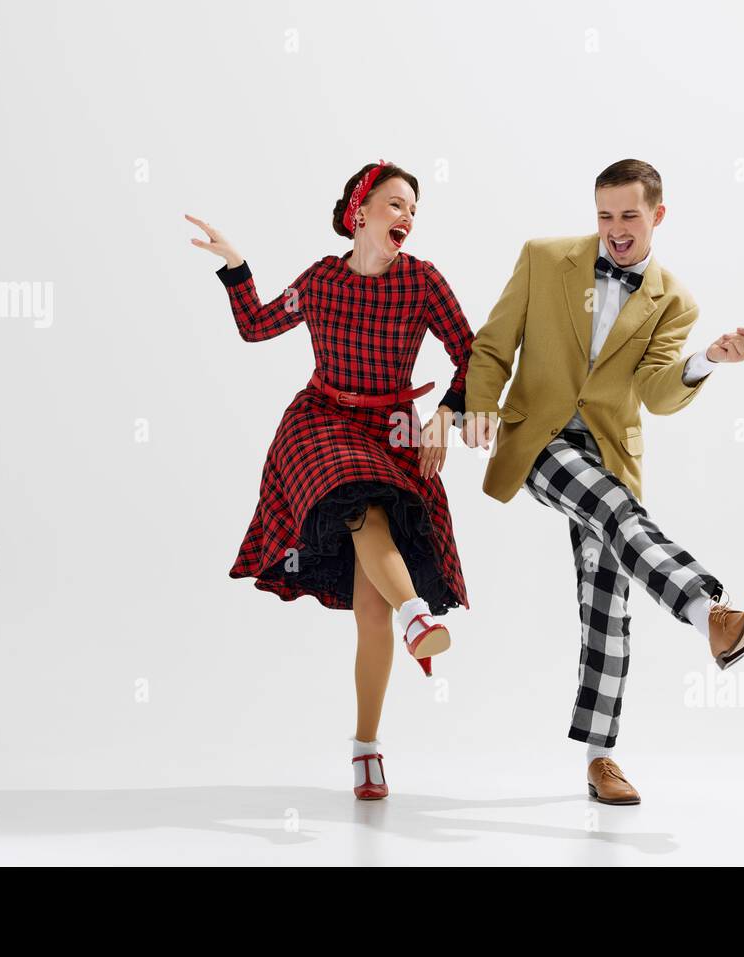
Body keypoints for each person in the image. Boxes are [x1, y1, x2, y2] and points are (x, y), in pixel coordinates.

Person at [461, 158, 744, 806]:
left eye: (629, 215)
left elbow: (657, 392)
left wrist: (707, 358)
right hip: (539, 437)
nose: (616, 229)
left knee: (607, 602)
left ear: (658, 214)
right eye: (605, 215)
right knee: (614, 510)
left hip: (609, 450)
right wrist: (482, 403)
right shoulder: (544, 259)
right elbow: (492, 345)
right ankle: (708, 612)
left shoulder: (674, 299)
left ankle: (601, 760)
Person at [186, 159, 474, 801]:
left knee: (371, 613)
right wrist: (236, 266)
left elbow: (472, 354)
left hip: (394, 430)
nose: (407, 217)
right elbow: (257, 325)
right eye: (395, 204)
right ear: (360, 210)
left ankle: (365, 746)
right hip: (322, 422)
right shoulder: (320, 279)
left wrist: (446, 417)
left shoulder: (423, 283)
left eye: (414, 210)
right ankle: (419, 614)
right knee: (357, 500)